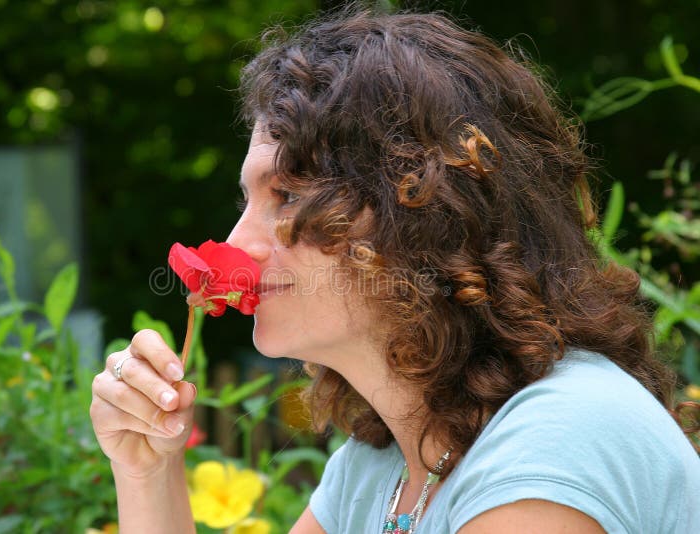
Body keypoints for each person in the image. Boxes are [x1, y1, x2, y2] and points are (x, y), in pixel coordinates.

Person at [90, 7, 700, 533]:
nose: (235, 242)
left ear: (424, 207)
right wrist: (148, 471)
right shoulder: (381, 467)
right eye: (248, 201)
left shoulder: (556, 440)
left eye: (288, 194)